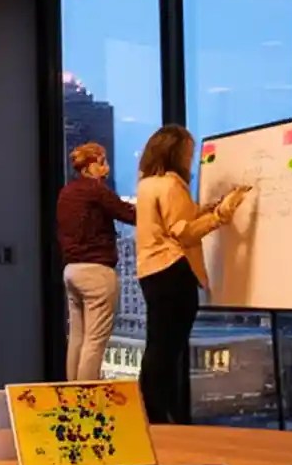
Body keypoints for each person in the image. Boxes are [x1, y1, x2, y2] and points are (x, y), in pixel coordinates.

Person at [136, 126, 249, 424]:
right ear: (175, 151)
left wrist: (204, 209)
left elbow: (173, 221)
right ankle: (161, 416)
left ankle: (152, 411)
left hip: (151, 272)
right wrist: (221, 214)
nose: (192, 158)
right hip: (173, 269)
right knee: (169, 350)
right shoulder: (171, 185)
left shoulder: (148, 184)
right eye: (188, 151)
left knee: (157, 345)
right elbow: (184, 234)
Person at [56, 142, 136, 381]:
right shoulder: (95, 190)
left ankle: (72, 395)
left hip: (72, 271)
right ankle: (86, 398)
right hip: (96, 272)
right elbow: (129, 214)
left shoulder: (66, 192)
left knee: (77, 338)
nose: (107, 168)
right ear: (93, 164)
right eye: (103, 162)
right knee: (95, 340)